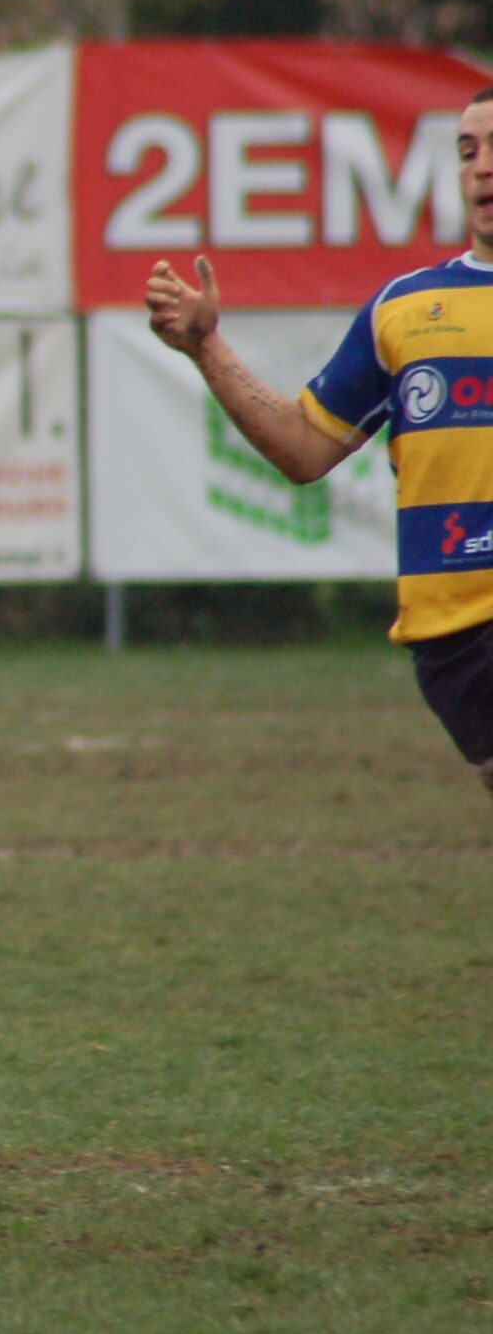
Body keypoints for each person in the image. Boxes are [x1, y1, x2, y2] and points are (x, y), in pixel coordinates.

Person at [146, 85, 493, 805]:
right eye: (467, 151)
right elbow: (303, 447)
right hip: (461, 637)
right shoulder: (403, 309)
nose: (482, 168)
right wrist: (205, 347)